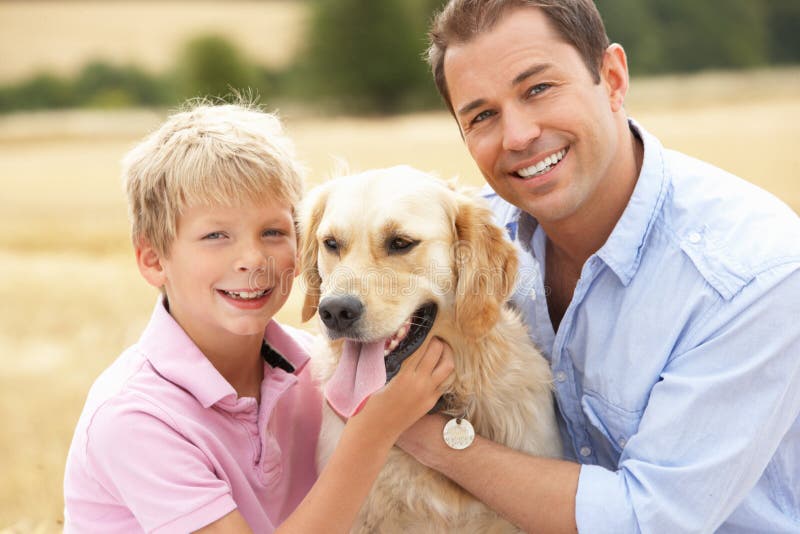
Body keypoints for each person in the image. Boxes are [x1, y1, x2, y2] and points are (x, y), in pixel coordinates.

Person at [395, 1, 800, 532]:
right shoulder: (467, 245)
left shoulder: (753, 273)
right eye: (482, 115)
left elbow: (648, 520)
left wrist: (429, 439)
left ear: (611, 78)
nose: (517, 135)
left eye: (538, 89)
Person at [62, 101, 454, 533]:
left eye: (273, 232)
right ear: (154, 260)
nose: (252, 259)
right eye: (215, 236)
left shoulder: (318, 370)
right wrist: (373, 433)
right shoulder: (135, 416)